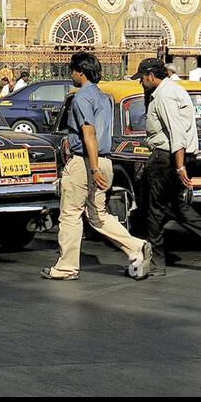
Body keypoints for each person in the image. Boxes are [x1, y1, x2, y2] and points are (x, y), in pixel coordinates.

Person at [42, 51, 152, 282]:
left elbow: (88, 133)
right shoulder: (105, 97)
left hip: (85, 162)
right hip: (105, 160)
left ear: (80, 72)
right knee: (98, 215)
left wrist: (92, 168)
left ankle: (66, 267)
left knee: (71, 214)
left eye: (72, 70)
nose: (71, 74)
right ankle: (136, 247)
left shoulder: (82, 97)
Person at [135, 58, 201, 277]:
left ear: (151, 75)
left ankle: (157, 264)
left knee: (153, 211)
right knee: (177, 207)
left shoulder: (164, 95)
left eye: (142, 78)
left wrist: (179, 167)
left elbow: (176, 132)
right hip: (177, 156)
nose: (140, 83)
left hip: (167, 158)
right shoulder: (172, 90)